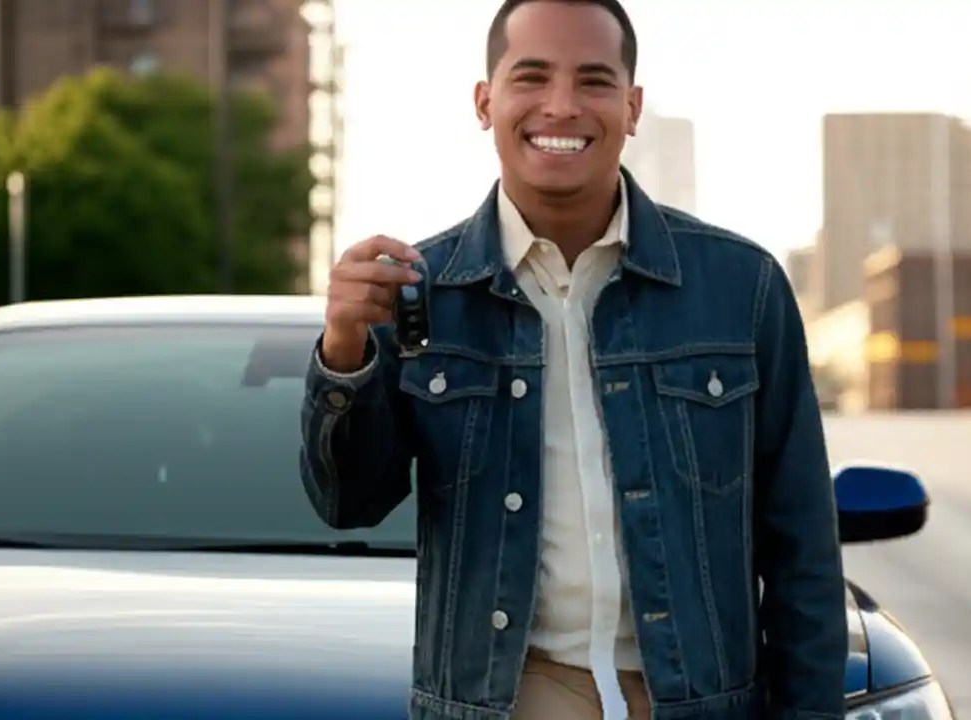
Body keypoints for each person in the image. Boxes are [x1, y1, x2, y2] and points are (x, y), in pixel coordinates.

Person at [299, 0, 847, 717]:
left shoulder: (741, 287)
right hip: (512, 696)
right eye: (532, 78)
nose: (561, 106)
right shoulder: (418, 293)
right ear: (485, 101)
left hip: (699, 700)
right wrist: (343, 351)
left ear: (632, 104)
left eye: (593, 81)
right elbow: (349, 504)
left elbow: (802, 542)